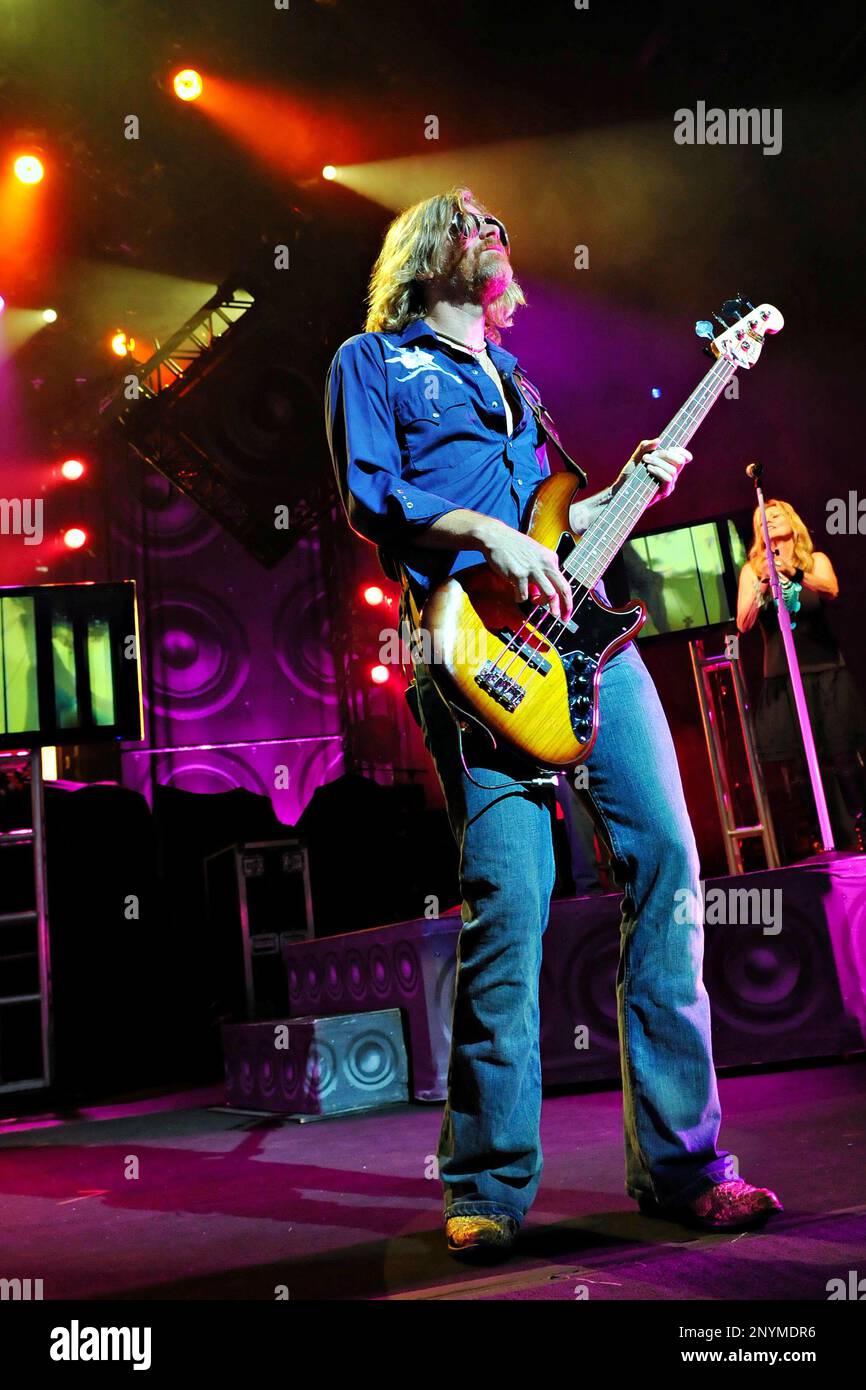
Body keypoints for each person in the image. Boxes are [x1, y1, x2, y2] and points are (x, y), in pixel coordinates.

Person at [325, 186, 781, 1261]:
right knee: (509, 903)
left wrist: (623, 486)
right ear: (428, 252)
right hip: (475, 654)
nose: (495, 230)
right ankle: (485, 1186)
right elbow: (367, 497)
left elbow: (555, 517)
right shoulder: (373, 362)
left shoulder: (513, 378)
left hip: (586, 644)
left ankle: (683, 1167)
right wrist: (485, 529)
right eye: (473, 220)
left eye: (499, 222)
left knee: (669, 860)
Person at [737, 498, 866, 854]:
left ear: (791, 522)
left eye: (776, 515)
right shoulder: (752, 569)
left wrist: (791, 572)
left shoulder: (815, 561)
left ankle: (861, 824)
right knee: (804, 766)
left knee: (843, 757)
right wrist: (763, 583)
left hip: (826, 672)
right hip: (783, 679)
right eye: (763, 517)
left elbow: (831, 587)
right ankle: (832, 842)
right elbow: (742, 623)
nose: (770, 520)